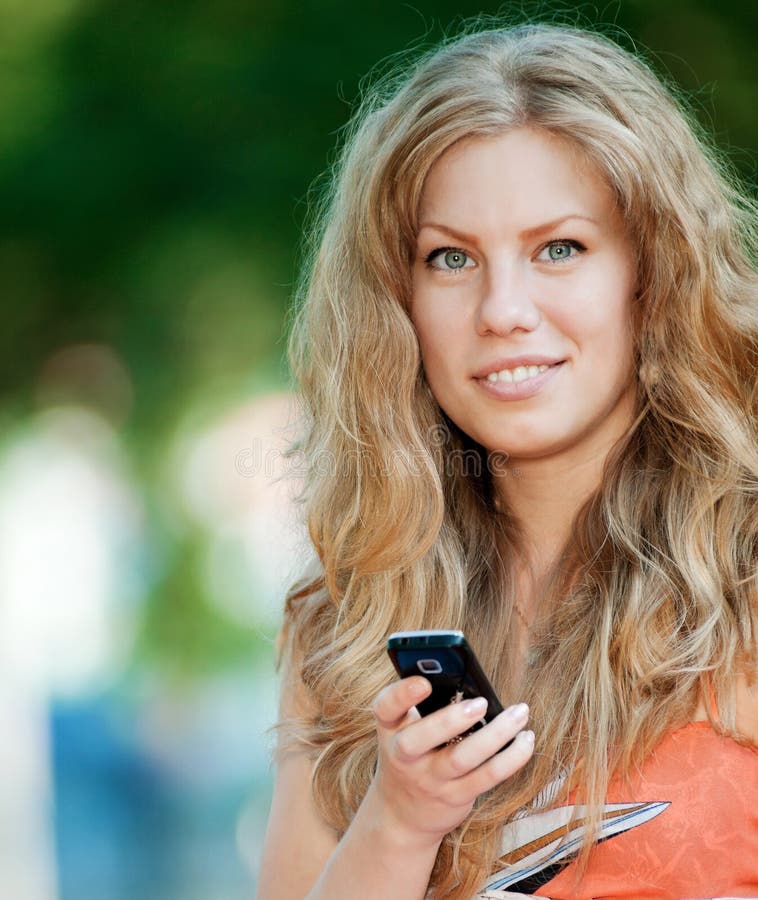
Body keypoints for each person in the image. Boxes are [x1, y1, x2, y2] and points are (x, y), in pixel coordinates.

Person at [257, 21, 758, 900]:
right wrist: (398, 821)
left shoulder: (745, 575)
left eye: (558, 248)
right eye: (450, 258)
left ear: (655, 272)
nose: (503, 310)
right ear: (396, 302)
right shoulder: (342, 621)